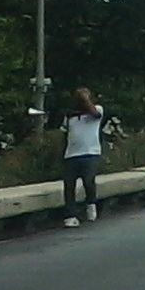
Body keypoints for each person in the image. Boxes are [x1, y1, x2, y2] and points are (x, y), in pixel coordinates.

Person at [61, 87, 104, 228]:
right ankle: (70, 215)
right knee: (69, 186)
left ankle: (91, 203)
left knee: (88, 180)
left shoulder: (97, 110)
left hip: (90, 152)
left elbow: (95, 114)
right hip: (71, 154)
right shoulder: (69, 116)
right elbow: (64, 133)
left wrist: (85, 99)